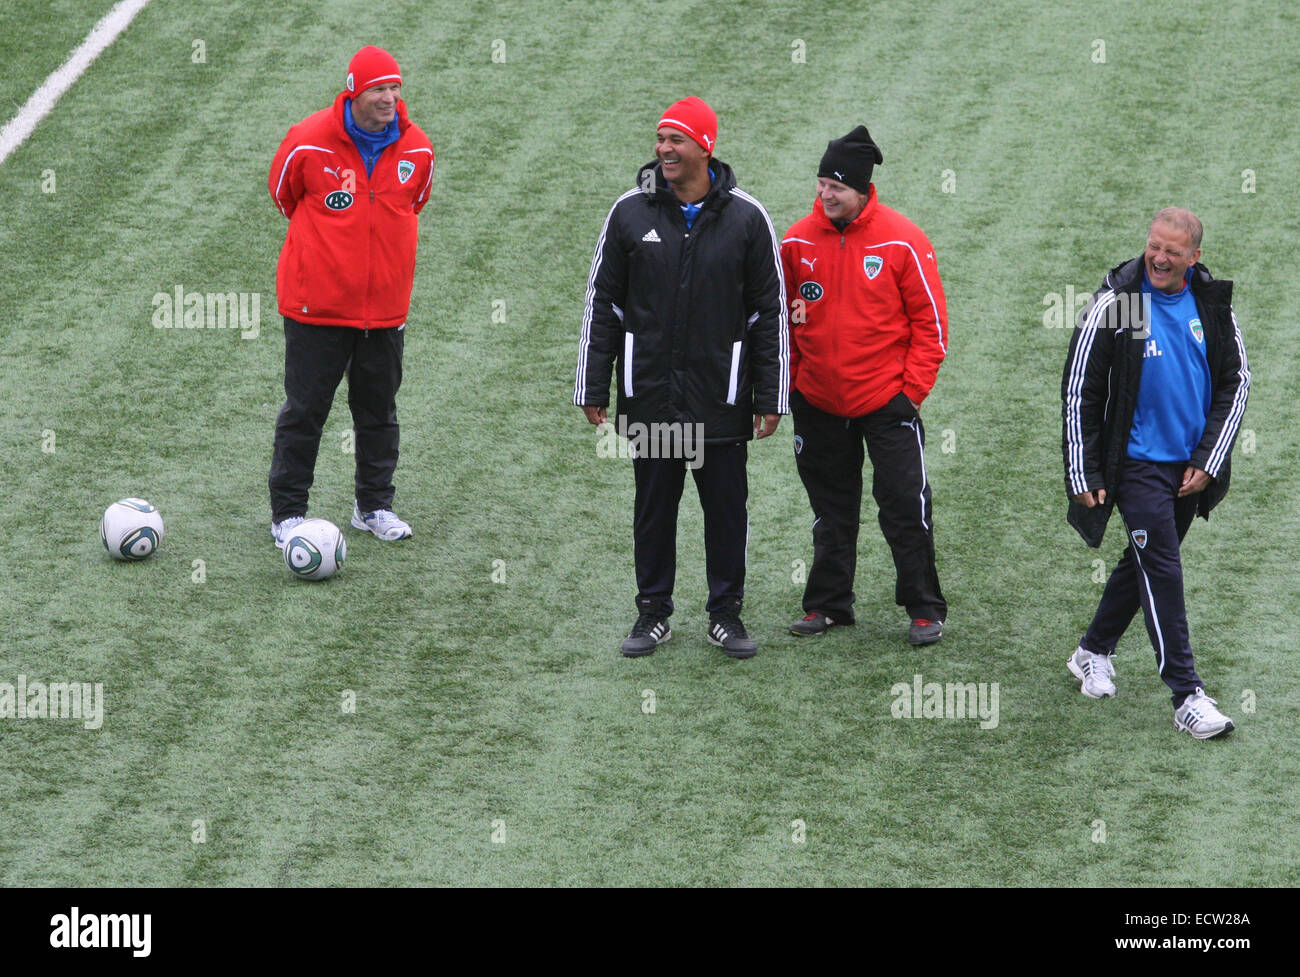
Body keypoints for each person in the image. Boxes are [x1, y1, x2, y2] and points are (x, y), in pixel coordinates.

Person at [574, 96, 789, 659]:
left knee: (726, 511)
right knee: (653, 508)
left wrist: (771, 394)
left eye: (676, 141)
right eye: (660, 139)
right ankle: (653, 613)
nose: (663, 150)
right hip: (650, 397)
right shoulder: (630, 212)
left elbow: (770, 312)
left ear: (705, 147)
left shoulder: (747, 218)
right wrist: (593, 386)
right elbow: (604, 302)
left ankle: (726, 615)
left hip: (720, 399)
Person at [1061, 207, 1250, 739]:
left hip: (1188, 467)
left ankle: (1092, 650)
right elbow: (1081, 389)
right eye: (1154, 246)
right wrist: (1084, 468)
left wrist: (1208, 461)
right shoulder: (1123, 305)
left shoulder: (1207, 301)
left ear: (1194, 258)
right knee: (1162, 567)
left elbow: (1237, 381)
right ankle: (1187, 695)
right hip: (1137, 463)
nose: (1159, 258)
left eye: (1172, 251)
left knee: (1143, 559)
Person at [779, 125, 948, 646]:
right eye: (822, 183)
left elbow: (931, 327)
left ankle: (923, 608)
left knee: (903, 503)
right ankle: (829, 605)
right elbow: (777, 323)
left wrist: (908, 394)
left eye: (837, 186)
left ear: (862, 190)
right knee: (831, 509)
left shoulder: (903, 240)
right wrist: (791, 386)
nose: (826, 194)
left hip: (884, 402)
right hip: (819, 400)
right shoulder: (795, 241)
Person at [267, 45, 435, 546]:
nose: (389, 98)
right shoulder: (309, 141)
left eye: (394, 88)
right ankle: (288, 515)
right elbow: (284, 195)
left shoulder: (417, 148)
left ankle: (374, 506)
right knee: (305, 411)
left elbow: (416, 201)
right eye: (378, 89)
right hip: (316, 306)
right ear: (354, 91)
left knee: (379, 412)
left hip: (384, 309)